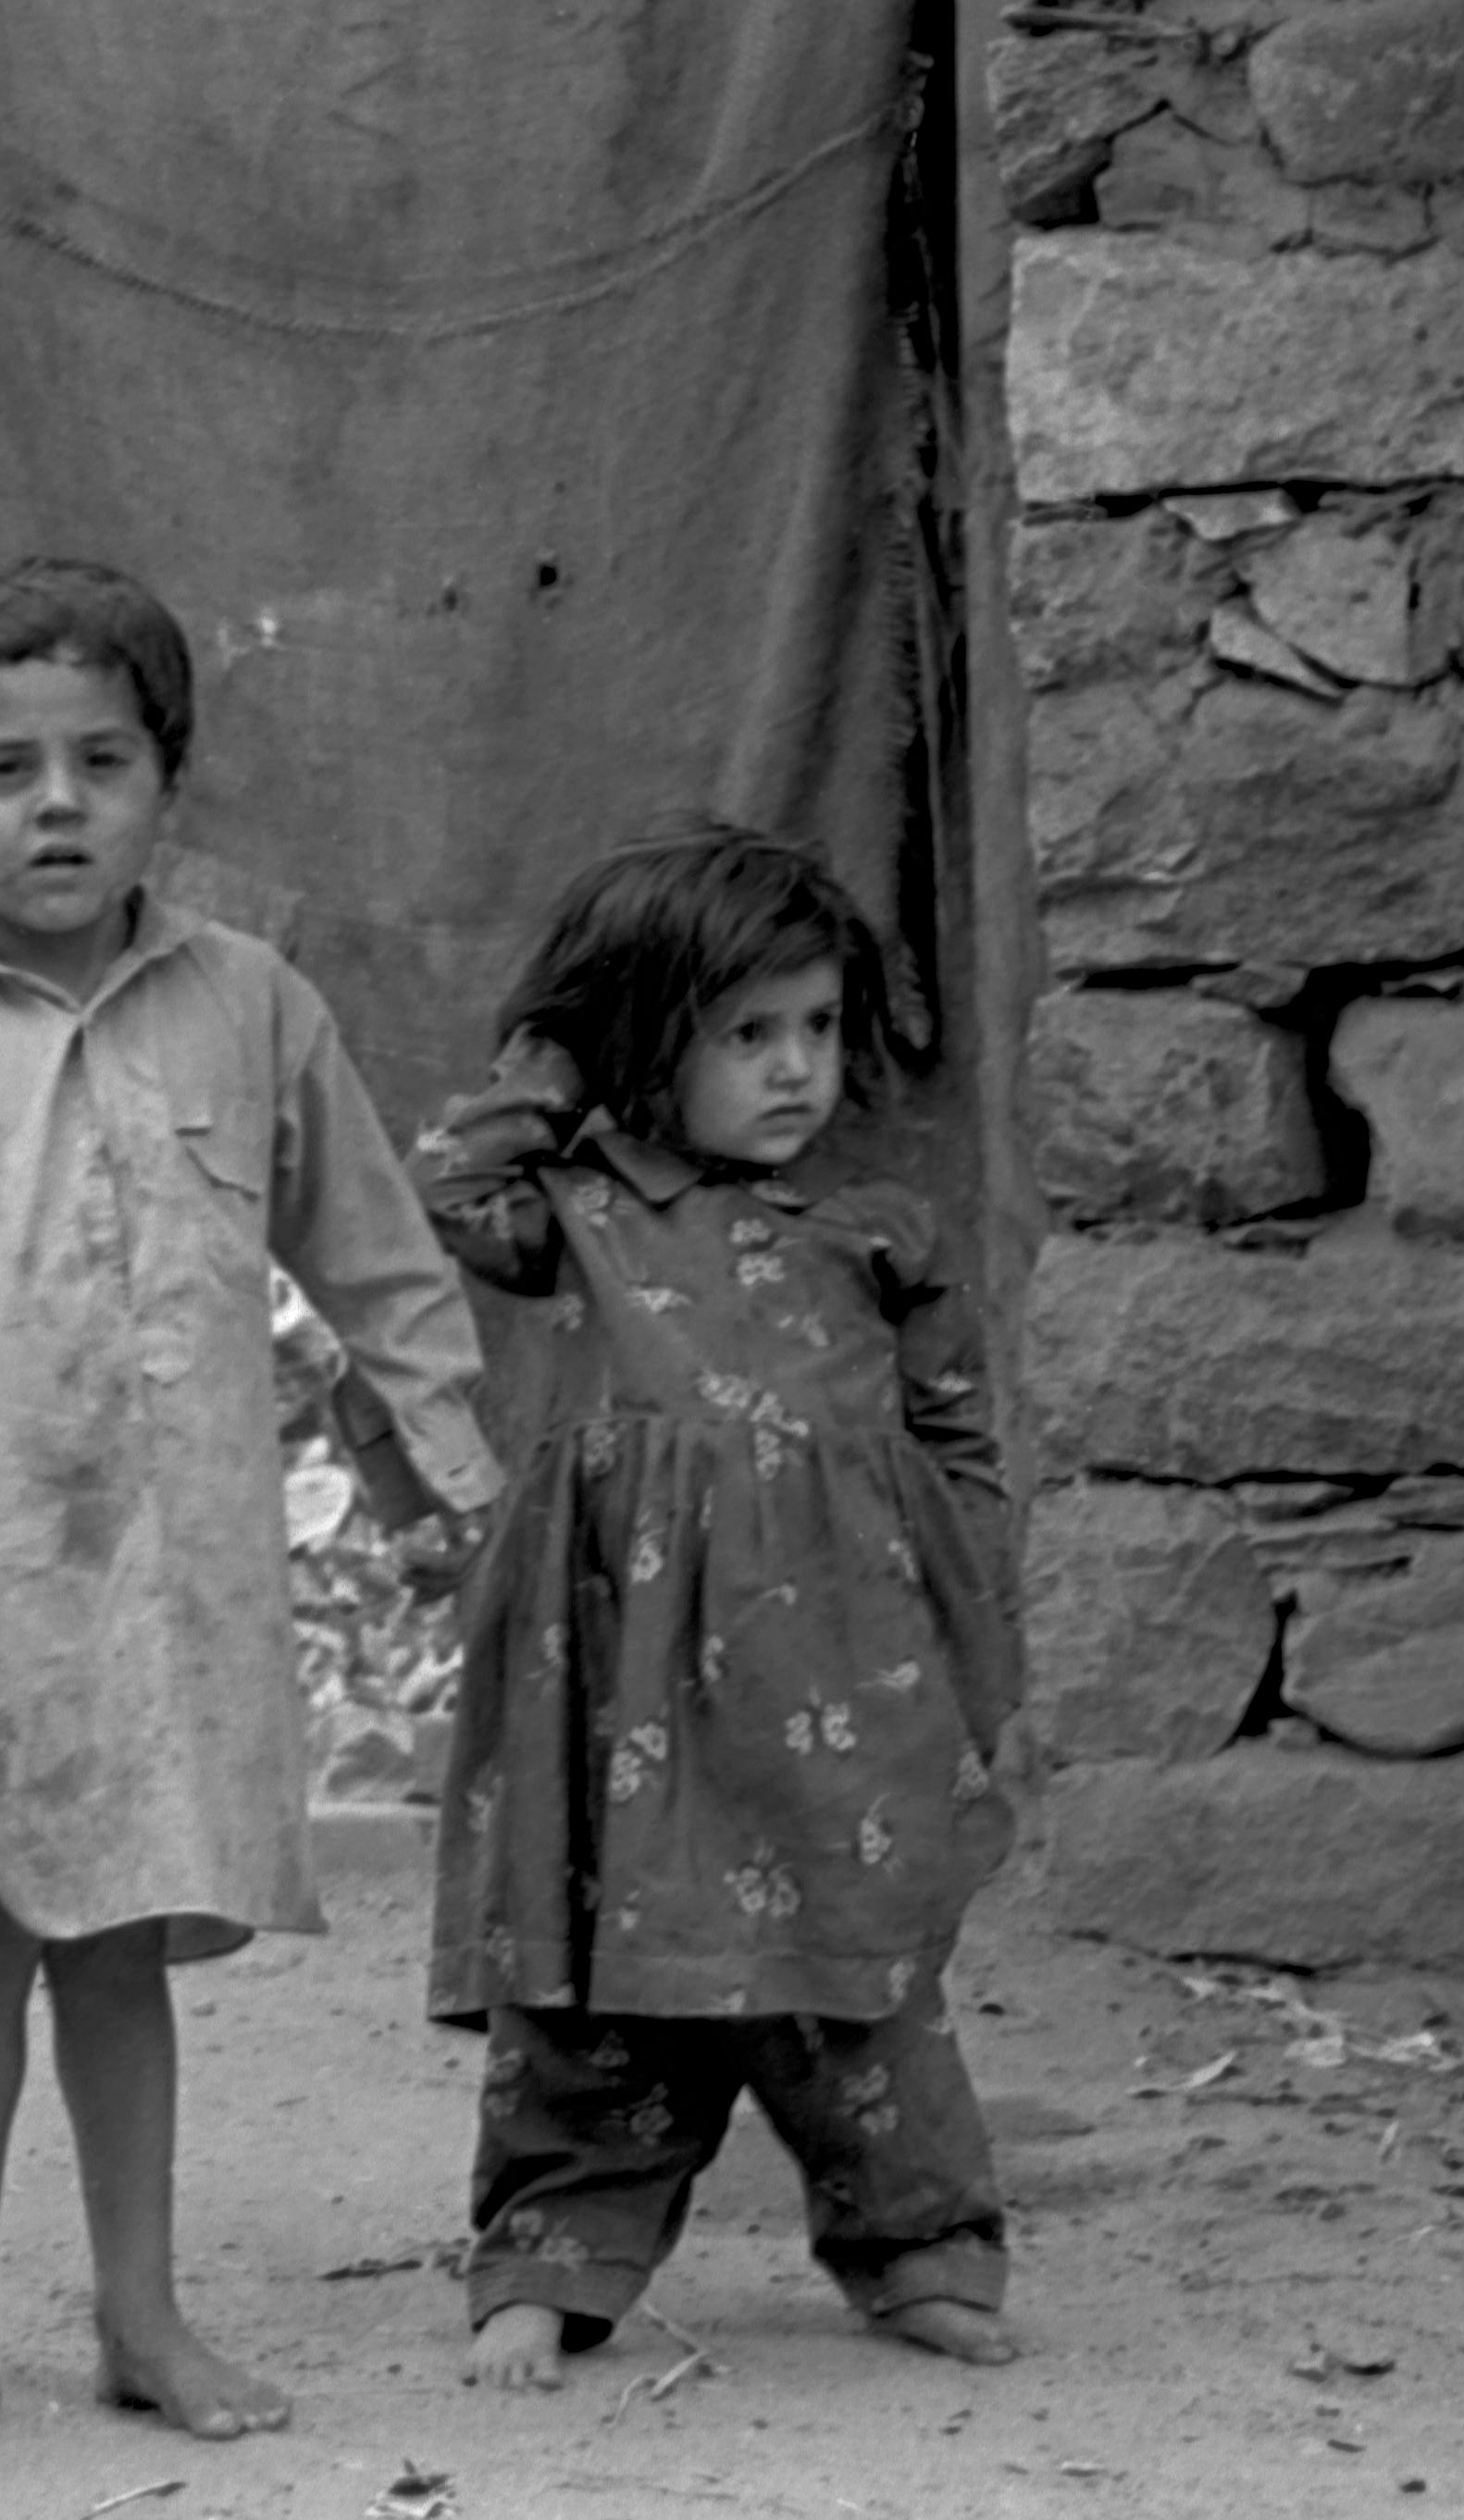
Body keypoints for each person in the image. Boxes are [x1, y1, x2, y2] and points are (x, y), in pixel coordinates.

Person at [0, 555, 500, 2486]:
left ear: (167, 780)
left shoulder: (249, 1003)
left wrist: (458, 1470)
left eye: (104, 758)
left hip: (172, 1583)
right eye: (3, 768)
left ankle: (142, 2307)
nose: (60, 802)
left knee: (114, 1955)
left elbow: (373, 1247)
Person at [415, 822, 1022, 2387]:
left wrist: (964, 1651)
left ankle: (918, 2254)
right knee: (594, 1984)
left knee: (857, 1975)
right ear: (647, 1037)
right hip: (610, 1677)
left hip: (835, 1664)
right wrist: (566, 1051)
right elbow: (446, 1180)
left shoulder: (877, 1232)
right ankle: (547, 2263)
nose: (794, 1067)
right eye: (744, 1032)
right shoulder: (579, 1208)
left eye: (817, 1027)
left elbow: (957, 1449)